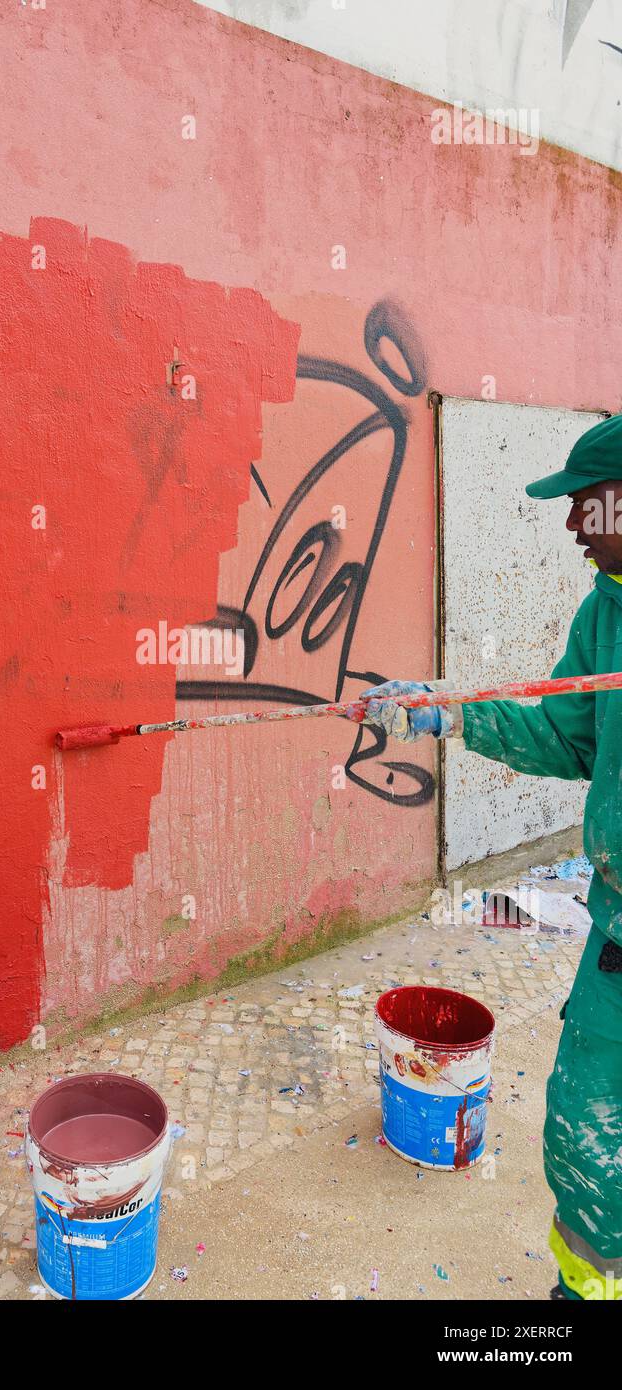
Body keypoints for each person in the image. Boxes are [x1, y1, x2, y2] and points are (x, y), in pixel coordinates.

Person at [361, 414, 622, 1301]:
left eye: (586, 506)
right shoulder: (606, 614)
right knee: (590, 1147)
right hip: (619, 947)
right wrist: (449, 710)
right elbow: (564, 730)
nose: (569, 525)